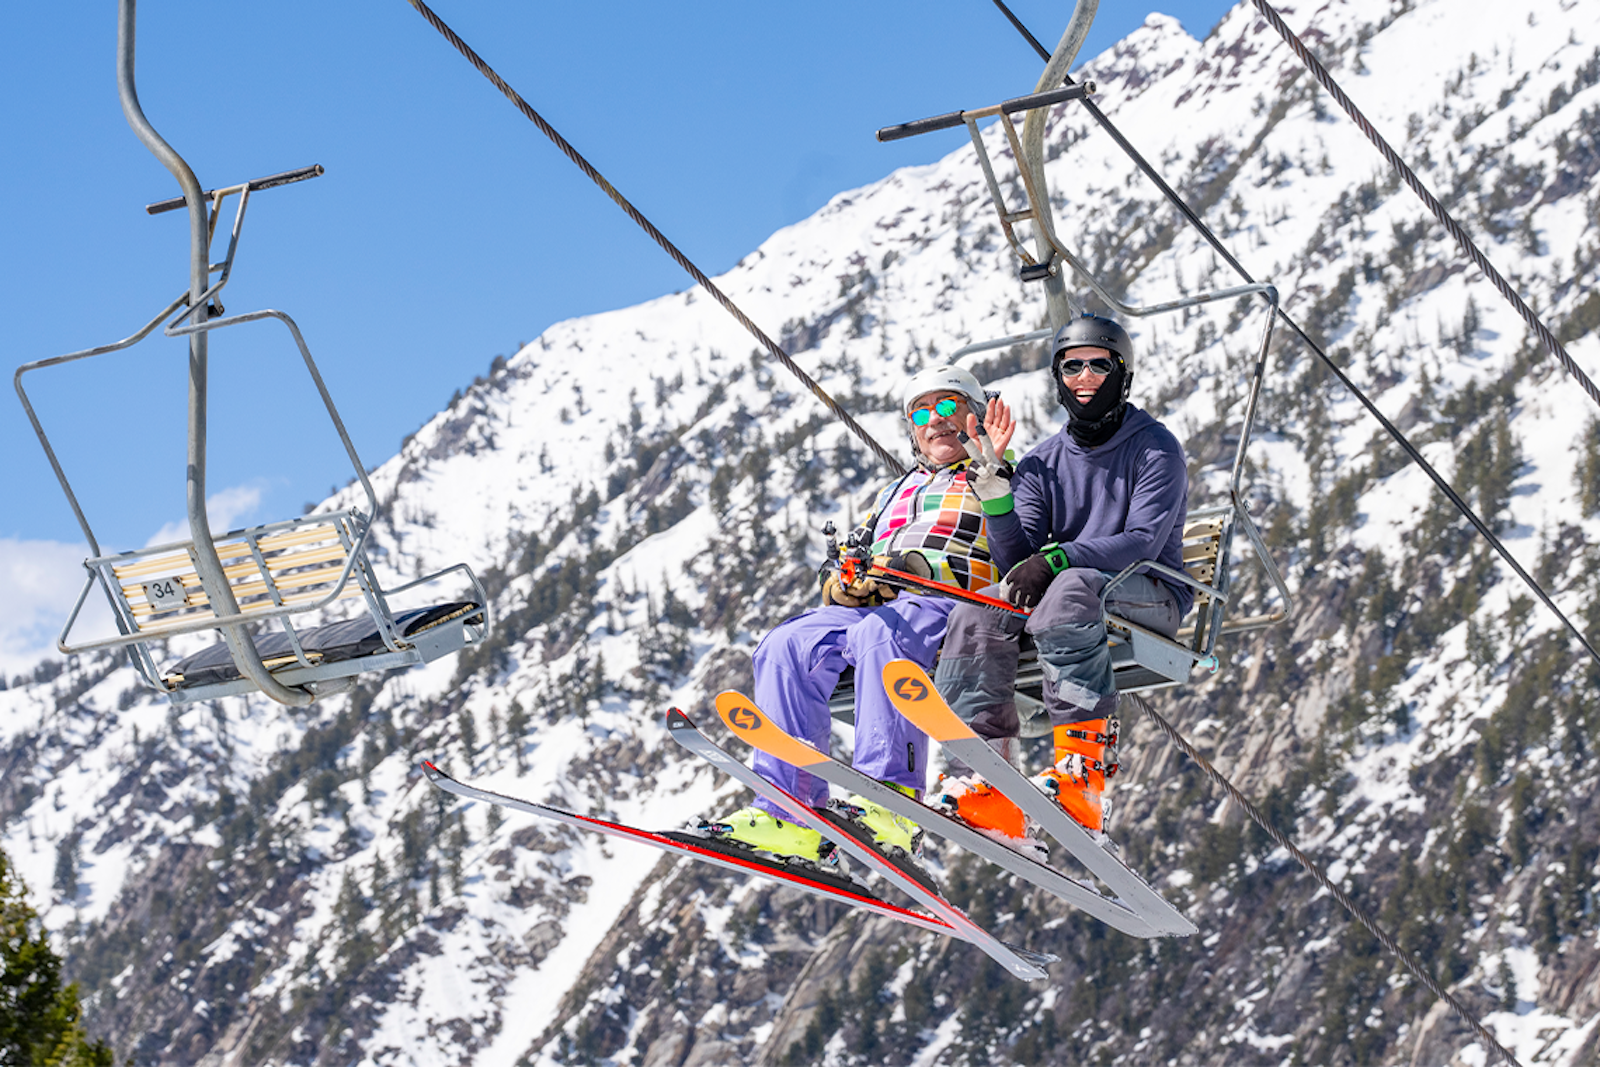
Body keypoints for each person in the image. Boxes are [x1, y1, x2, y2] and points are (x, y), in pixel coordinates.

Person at [704, 365, 1016, 867]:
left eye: (947, 407)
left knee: (879, 634)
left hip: (957, 604)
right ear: (911, 430)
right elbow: (856, 552)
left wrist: (993, 472)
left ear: (976, 415)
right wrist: (846, 580)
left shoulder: (1000, 475)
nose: (935, 421)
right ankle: (790, 810)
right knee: (786, 646)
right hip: (885, 605)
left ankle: (890, 797)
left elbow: (1020, 544)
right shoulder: (893, 492)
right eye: (921, 412)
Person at [932, 314, 1191, 839]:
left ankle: (1083, 776)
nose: (1085, 377)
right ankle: (986, 783)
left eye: (1099, 364)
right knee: (976, 611)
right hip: (1070, 603)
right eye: (1072, 366)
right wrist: (996, 494)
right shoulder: (1042, 462)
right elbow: (1016, 561)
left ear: (1123, 372)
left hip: (1150, 595)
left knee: (1069, 589)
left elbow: (1141, 540)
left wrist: (1056, 559)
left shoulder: (1155, 448)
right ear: (1058, 378)